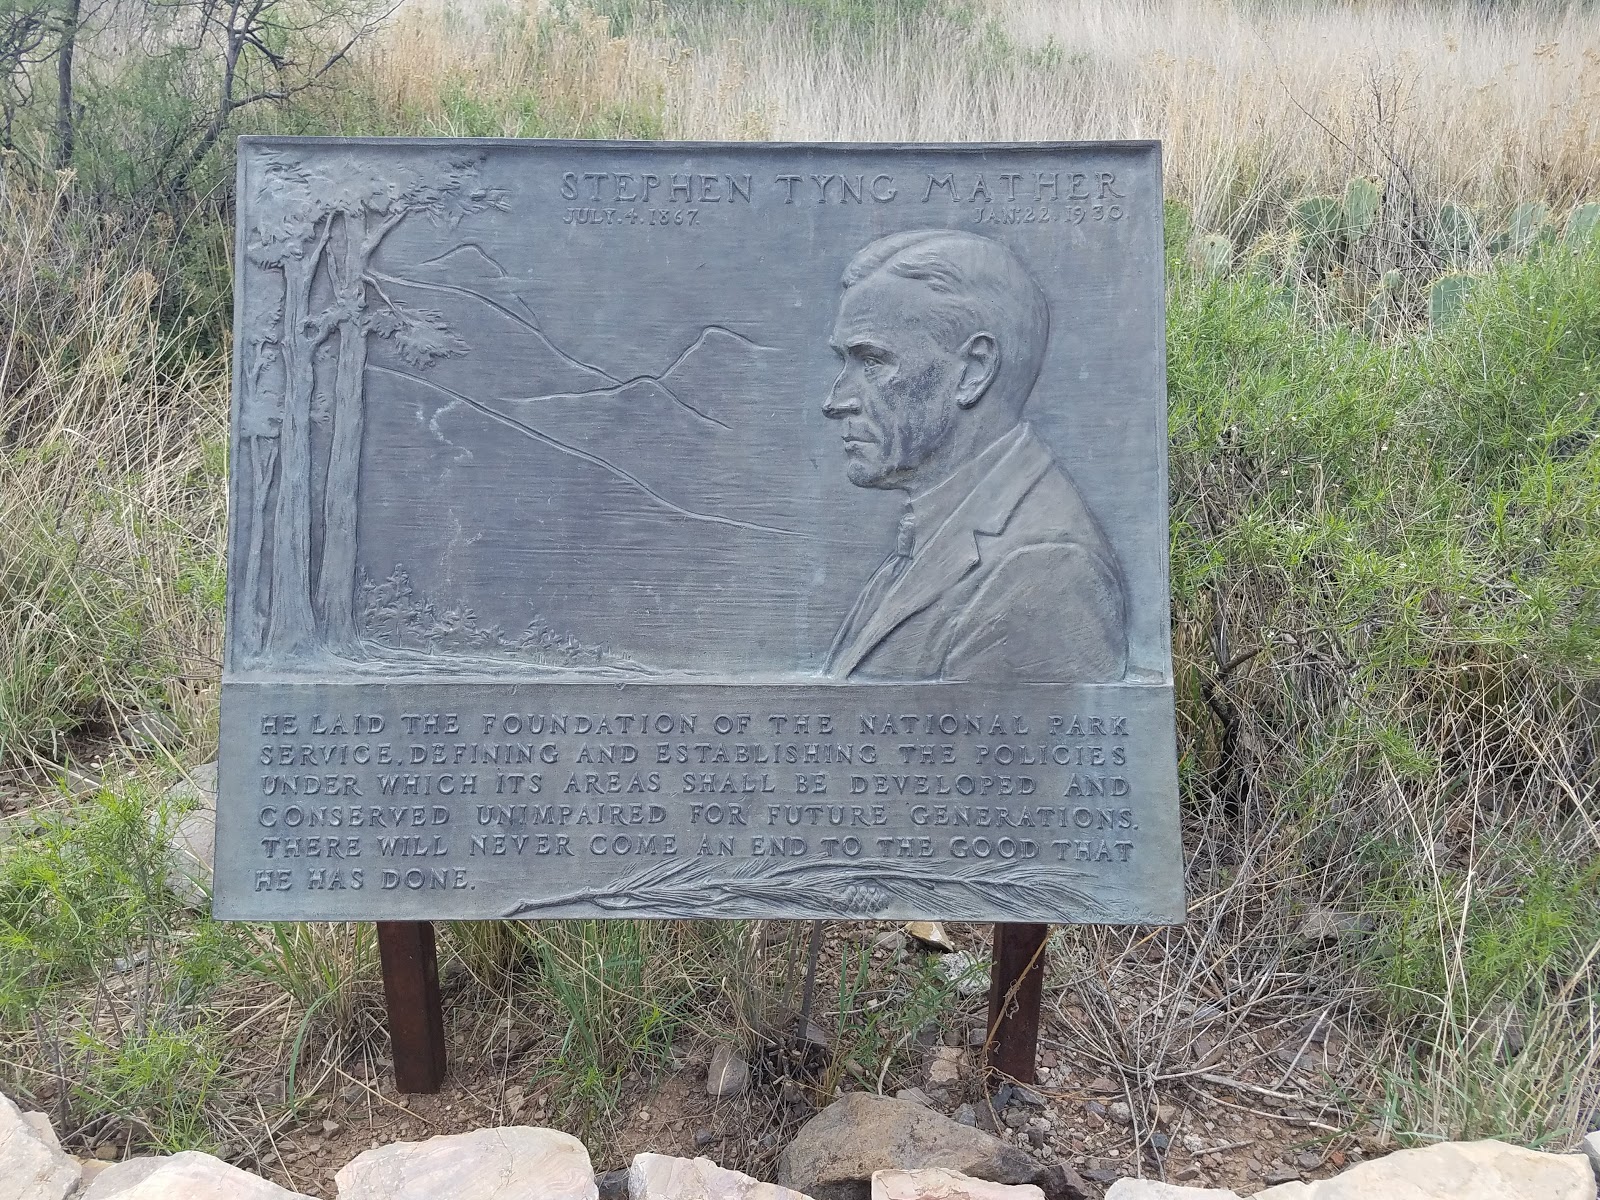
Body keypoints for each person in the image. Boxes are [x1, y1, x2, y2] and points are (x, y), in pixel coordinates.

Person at [821, 228, 1127, 683]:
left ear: (974, 370)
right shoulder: (933, 537)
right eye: (842, 362)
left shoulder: (1044, 572)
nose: (835, 400)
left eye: (871, 362)